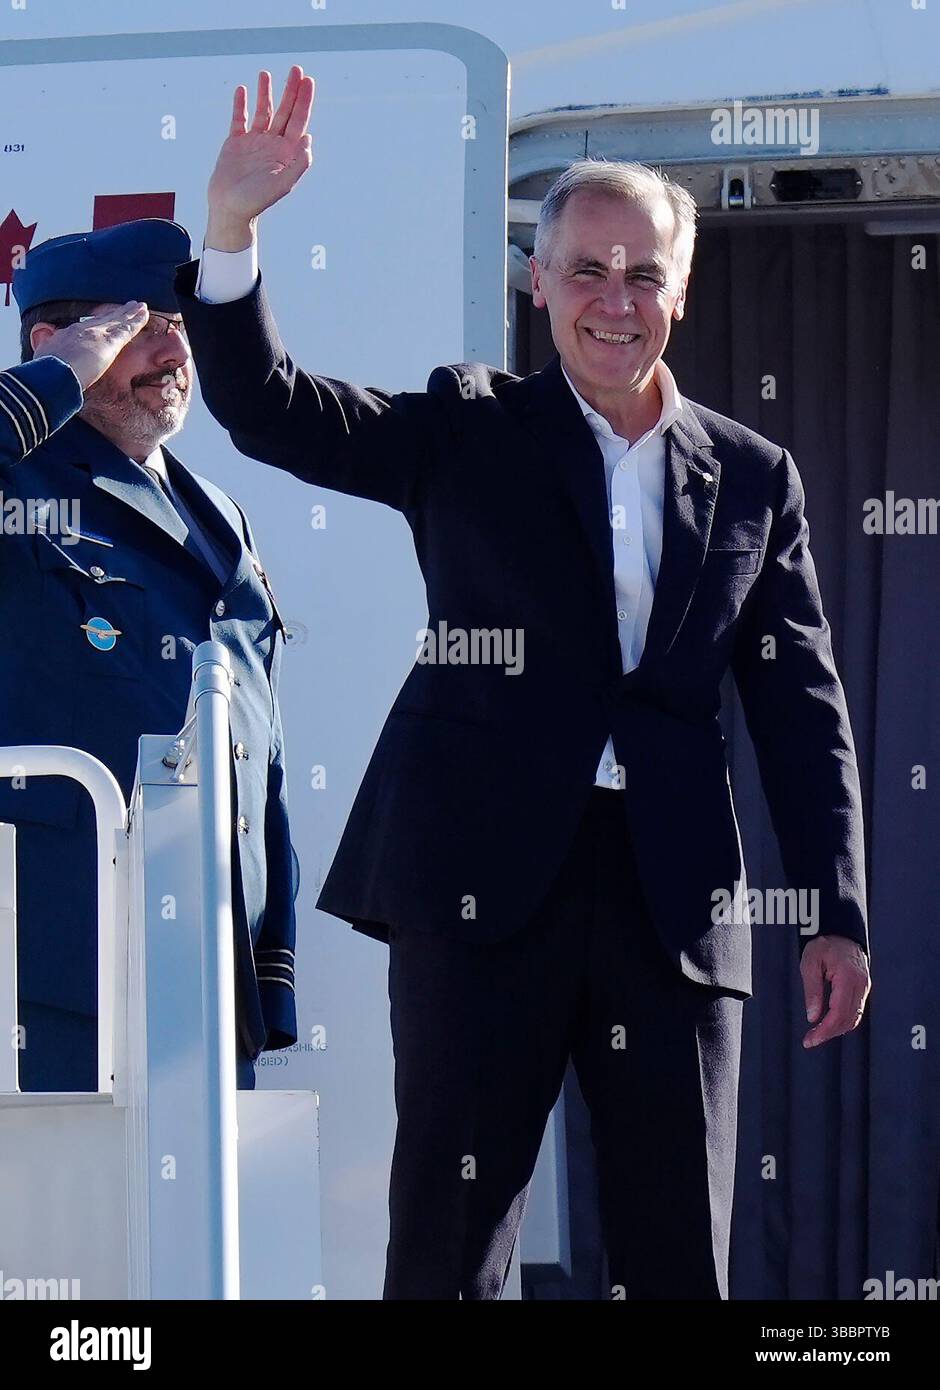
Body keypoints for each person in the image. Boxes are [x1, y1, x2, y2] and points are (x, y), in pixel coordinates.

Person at [176, 66, 871, 1298]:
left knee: (677, 1255)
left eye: (642, 272)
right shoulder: (466, 426)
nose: (616, 300)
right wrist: (230, 233)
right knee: (447, 1247)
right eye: (587, 272)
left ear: (682, 288)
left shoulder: (756, 476)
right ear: (538, 284)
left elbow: (797, 706)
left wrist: (835, 908)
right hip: (473, 883)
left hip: (671, 898)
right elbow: (269, 409)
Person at [0, 218, 299, 1092]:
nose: (174, 349)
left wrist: (267, 964)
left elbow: (261, 752)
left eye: (181, 325)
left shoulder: (217, 512)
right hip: (51, 972)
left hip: (204, 968)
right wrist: (50, 383)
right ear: (54, 342)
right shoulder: (22, 483)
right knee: (61, 1227)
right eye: (138, 326)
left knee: (197, 1229)